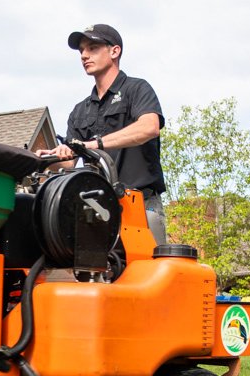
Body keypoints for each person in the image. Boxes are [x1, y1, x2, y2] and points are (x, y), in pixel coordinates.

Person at [40, 23, 168, 244]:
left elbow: (149, 127)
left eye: (92, 48)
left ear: (114, 51)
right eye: (81, 50)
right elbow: (70, 163)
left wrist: (94, 144)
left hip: (141, 206)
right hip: (96, 208)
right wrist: (52, 157)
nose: (84, 56)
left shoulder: (136, 89)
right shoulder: (80, 110)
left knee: (147, 272)